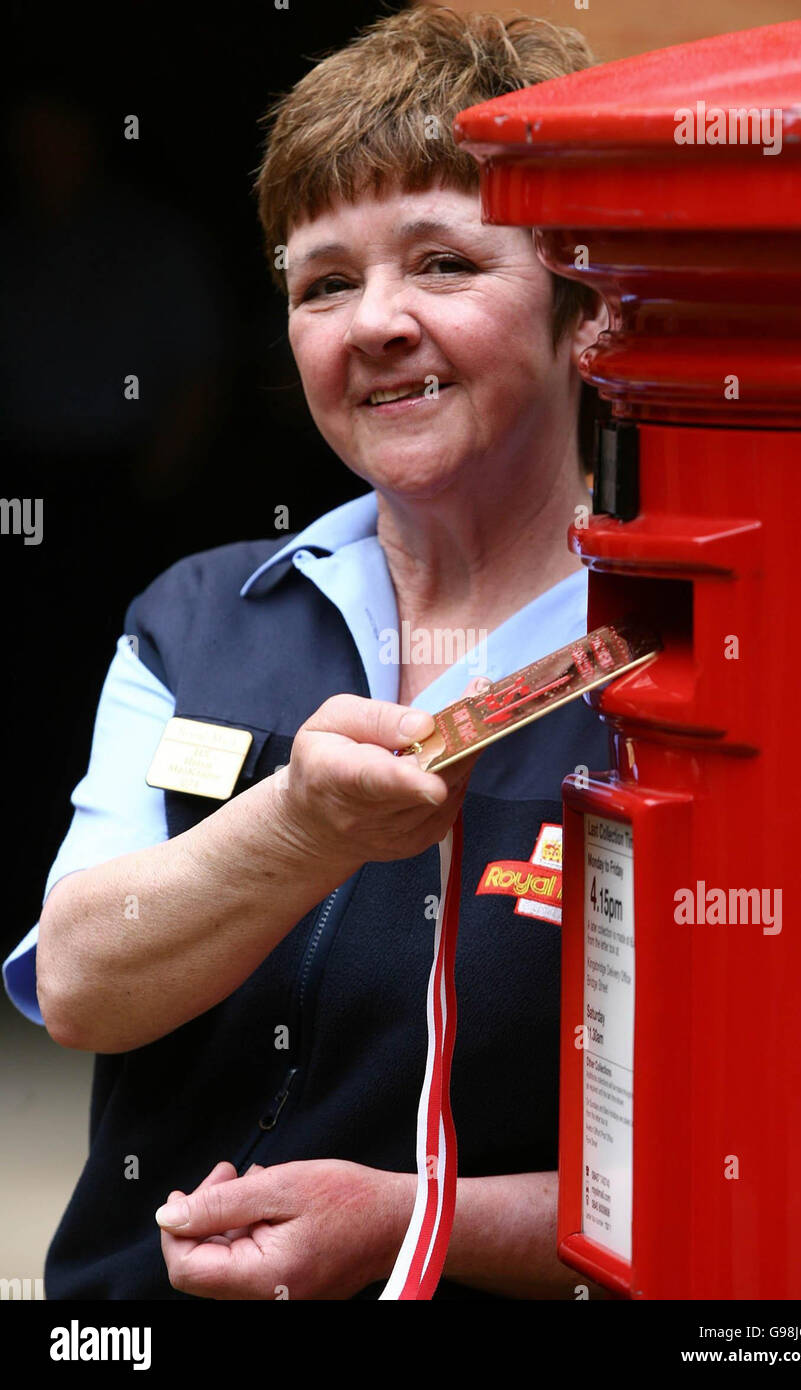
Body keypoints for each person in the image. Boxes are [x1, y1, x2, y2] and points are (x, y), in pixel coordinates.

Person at [3, 5, 611, 1300]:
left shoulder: (692, 656)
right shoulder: (197, 616)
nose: (374, 322)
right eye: (324, 282)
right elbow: (79, 985)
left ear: (587, 306)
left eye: (442, 262)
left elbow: (750, 1178)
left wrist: (413, 1225)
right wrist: (297, 828)